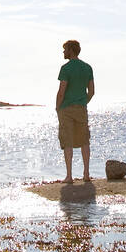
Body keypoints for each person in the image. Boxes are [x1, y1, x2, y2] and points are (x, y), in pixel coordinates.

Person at [54, 39, 94, 184]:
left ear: (71, 50)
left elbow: (61, 92)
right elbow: (92, 92)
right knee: (84, 140)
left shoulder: (66, 68)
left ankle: (69, 176)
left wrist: (58, 108)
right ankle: (86, 174)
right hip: (81, 108)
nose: (64, 52)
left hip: (66, 109)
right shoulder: (87, 68)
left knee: (67, 141)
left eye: (65, 50)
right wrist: (83, 102)